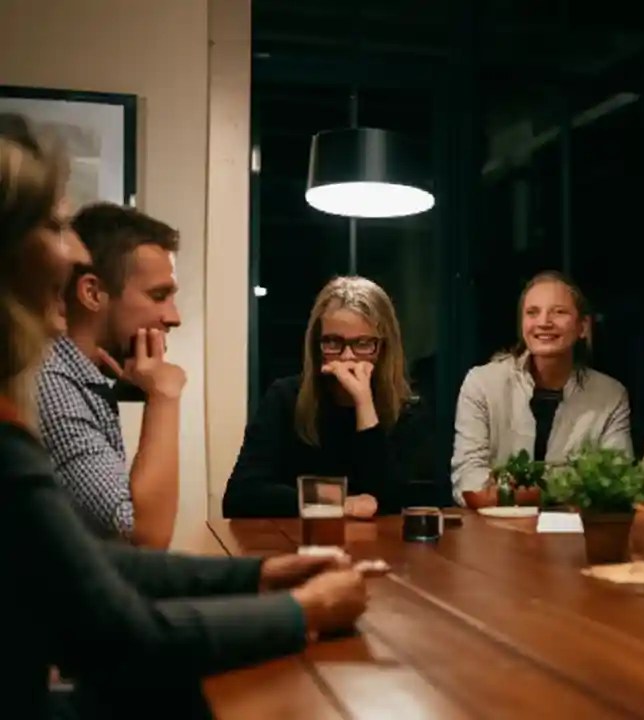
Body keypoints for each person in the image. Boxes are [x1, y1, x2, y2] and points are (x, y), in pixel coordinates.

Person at [0, 113, 368, 719]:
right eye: (55, 226)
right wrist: (302, 610)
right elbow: (125, 606)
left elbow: (86, 563)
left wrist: (259, 575)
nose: (72, 252)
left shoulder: (64, 383)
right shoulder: (43, 393)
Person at [36, 203, 187, 549]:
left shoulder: (78, 377)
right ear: (92, 293)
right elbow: (145, 540)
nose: (174, 317)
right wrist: (164, 397)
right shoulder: (53, 384)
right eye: (159, 296)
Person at [224, 276, 418, 518]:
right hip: (296, 538)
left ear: (383, 348)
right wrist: (339, 503)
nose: (347, 357)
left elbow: (394, 503)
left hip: (377, 541)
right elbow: (241, 496)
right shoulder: (285, 397)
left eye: (363, 343)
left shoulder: (405, 409)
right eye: (333, 342)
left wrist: (364, 404)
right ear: (316, 345)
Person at [451, 271, 631, 505]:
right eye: (532, 312)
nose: (544, 322)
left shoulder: (610, 395)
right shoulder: (482, 383)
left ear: (583, 327)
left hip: (574, 528)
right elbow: (468, 481)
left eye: (559, 312)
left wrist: (527, 494)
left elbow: (616, 482)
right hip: (495, 525)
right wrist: (556, 491)